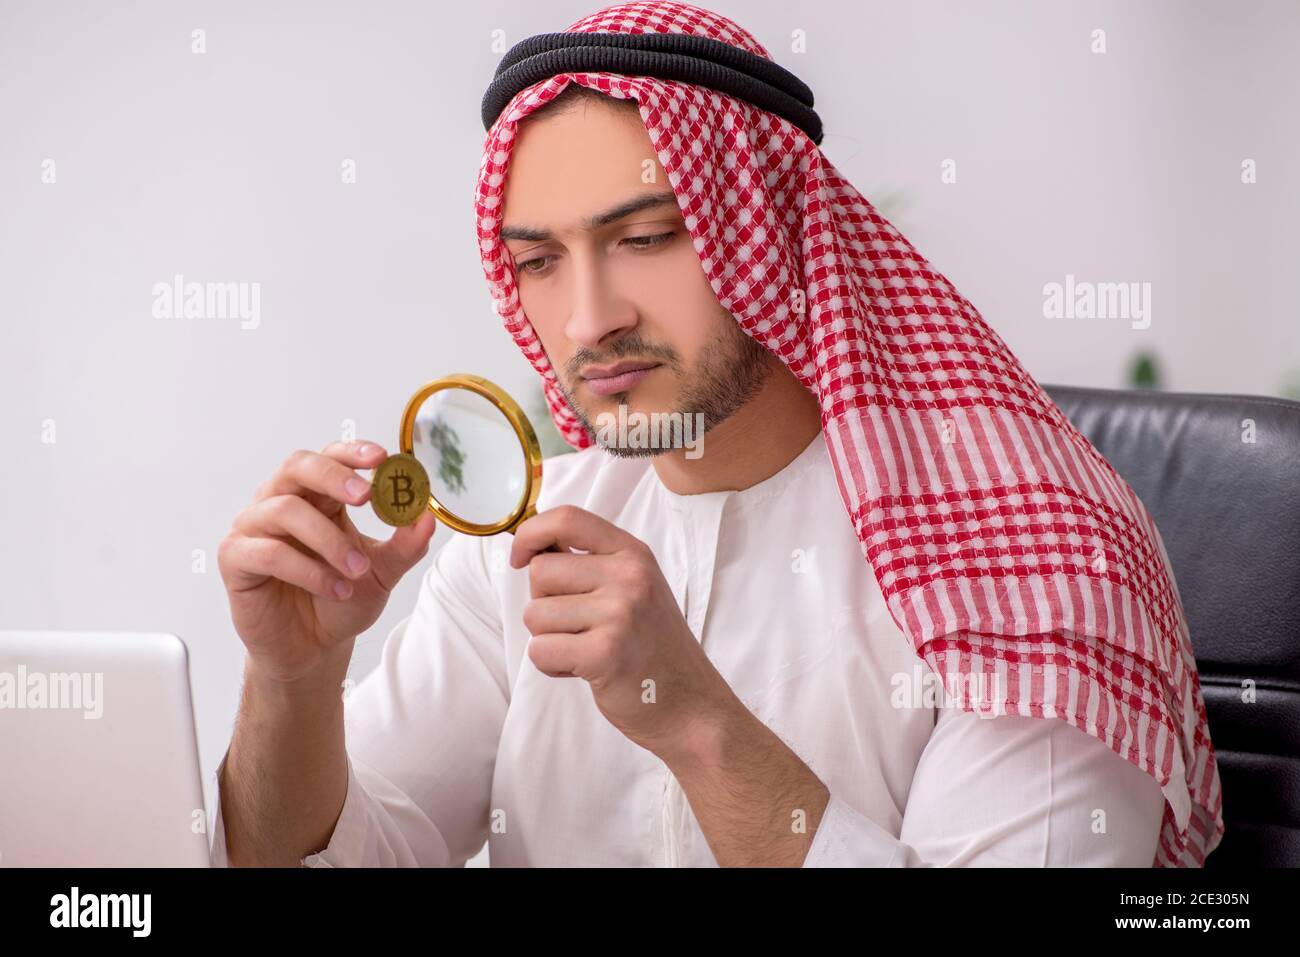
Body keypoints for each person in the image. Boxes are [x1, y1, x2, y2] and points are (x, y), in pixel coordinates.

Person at [211, 0, 1222, 867]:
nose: (584, 319)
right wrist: (292, 682)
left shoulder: (1030, 566)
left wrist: (696, 721)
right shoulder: (520, 546)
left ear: (770, 233)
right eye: (539, 263)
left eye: (645, 238)